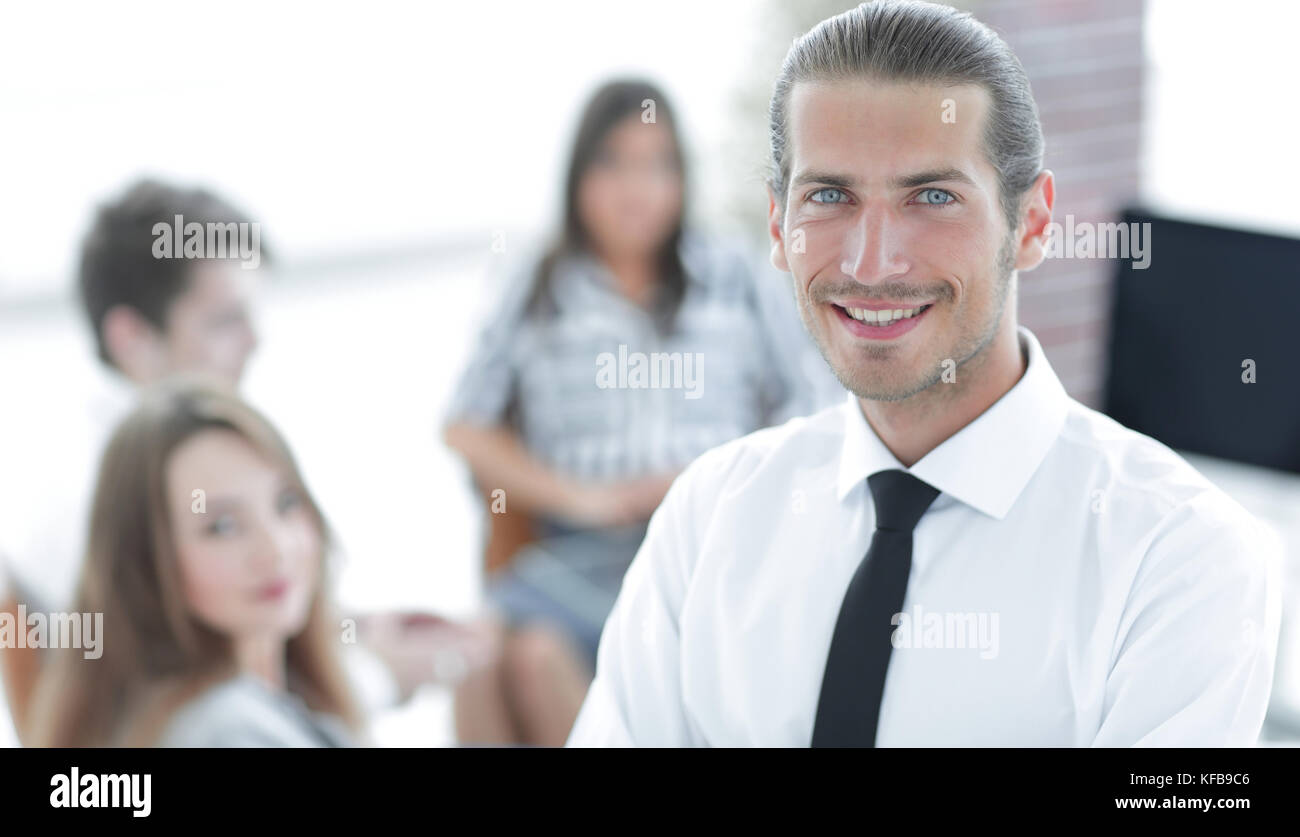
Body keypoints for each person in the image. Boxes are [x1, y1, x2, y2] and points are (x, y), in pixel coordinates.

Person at [567, 0, 1282, 747]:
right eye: (830, 196)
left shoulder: (1181, 558)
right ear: (779, 225)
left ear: (1032, 224)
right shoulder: (709, 517)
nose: (872, 263)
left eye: (933, 197)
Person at [1, 180, 487, 741]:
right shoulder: (84, 500)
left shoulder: (202, 447)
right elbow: (179, 688)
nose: (255, 341)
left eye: (286, 505)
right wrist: (378, 673)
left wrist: (353, 628)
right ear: (132, 336)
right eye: (225, 320)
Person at [442, 79, 826, 746]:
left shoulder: (735, 274)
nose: (636, 188)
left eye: (657, 165)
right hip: (577, 546)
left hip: (710, 543)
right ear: (578, 176)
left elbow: (814, 404)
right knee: (478, 666)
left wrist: (710, 481)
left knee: (535, 660)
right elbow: (466, 426)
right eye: (613, 162)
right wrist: (583, 497)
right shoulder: (536, 286)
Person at [27, 381, 364, 746]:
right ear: (146, 563)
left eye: (286, 503)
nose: (276, 548)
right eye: (223, 526)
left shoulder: (202, 712)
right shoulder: (228, 730)